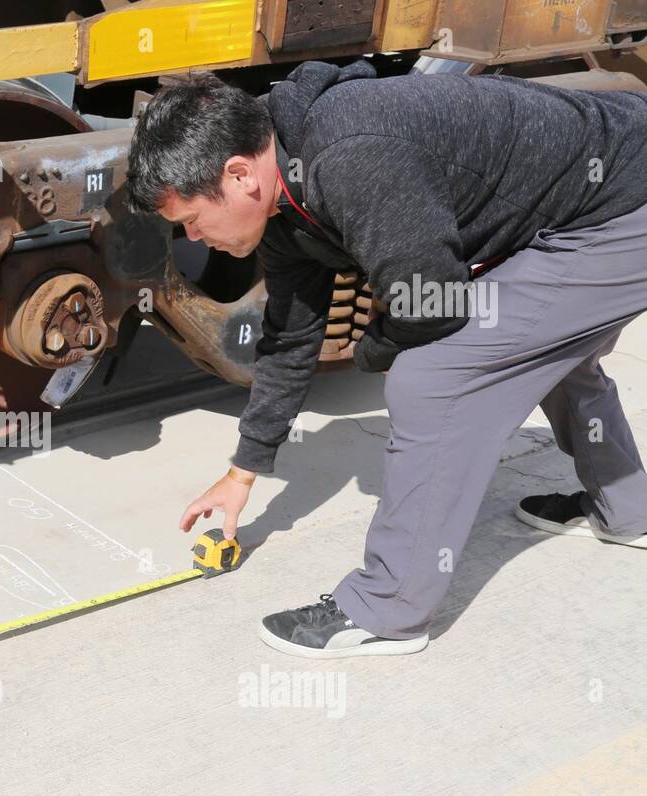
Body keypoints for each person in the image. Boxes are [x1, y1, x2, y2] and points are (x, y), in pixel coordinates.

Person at [126, 59, 647, 658]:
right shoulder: (281, 199)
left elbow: (433, 306)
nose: (194, 241)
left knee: (437, 379)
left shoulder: (351, 156)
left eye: (191, 221)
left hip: (623, 205)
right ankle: (627, 507)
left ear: (240, 174)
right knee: (536, 343)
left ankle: (390, 607)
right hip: (593, 200)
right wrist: (244, 470)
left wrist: (373, 350)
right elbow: (291, 337)